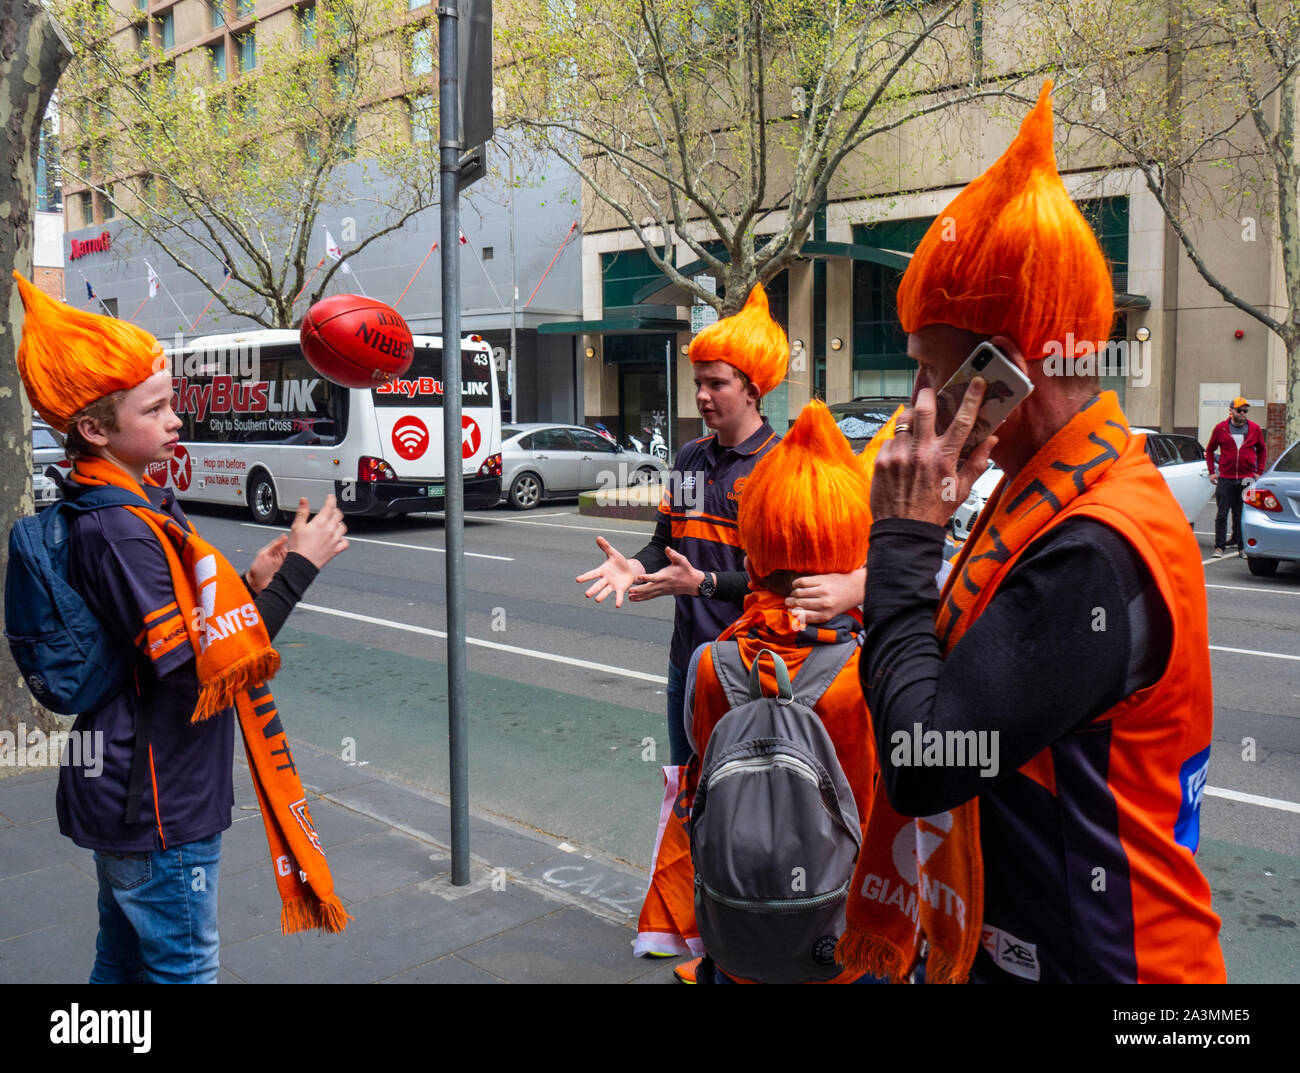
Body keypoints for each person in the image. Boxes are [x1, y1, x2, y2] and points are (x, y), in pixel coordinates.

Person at [848, 82, 1226, 983]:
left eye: (931, 372)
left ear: (1004, 373)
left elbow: (925, 756)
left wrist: (900, 544)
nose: (916, 406)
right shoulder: (1043, 495)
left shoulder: (1095, 545)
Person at [12, 273, 351, 983]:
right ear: (95, 429)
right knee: (184, 969)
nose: (176, 420)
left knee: (125, 963)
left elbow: (191, 630)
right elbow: (202, 666)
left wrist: (255, 582)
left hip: (138, 798)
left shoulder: (126, 505)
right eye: (158, 407)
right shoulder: (121, 529)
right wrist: (301, 571)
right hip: (157, 806)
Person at [683, 400, 880, 984]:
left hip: (736, 929)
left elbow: (693, 787)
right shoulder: (868, 672)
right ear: (851, 554)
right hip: (845, 932)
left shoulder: (708, 665)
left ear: (753, 552)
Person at [1206, 397, 1267, 557]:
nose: (1242, 413)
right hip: (1226, 478)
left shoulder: (1254, 429)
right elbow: (1210, 450)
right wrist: (1212, 471)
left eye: (1245, 411)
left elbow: (1262, 450)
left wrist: (1259, 471)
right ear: (1231, 411)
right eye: (1239, 410)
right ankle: (1219, 547)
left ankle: (1242, 547)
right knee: (1222, 514)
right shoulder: (1221, 429)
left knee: (1242, 514)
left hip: (1247, 478)